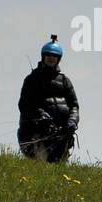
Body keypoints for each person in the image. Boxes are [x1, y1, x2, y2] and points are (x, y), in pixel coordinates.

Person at [16, 35, 79, 163]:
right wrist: (40, 115)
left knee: (59, 168)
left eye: (54, 56)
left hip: (61, 134)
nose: (51, 58)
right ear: (43, 57)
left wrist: (72, 121)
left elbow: (74, 106)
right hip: (37, 133)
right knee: (41, 167)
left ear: (58, 59)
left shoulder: (65, 81)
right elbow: (24, 104)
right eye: (48, 55)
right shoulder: (32, 79)